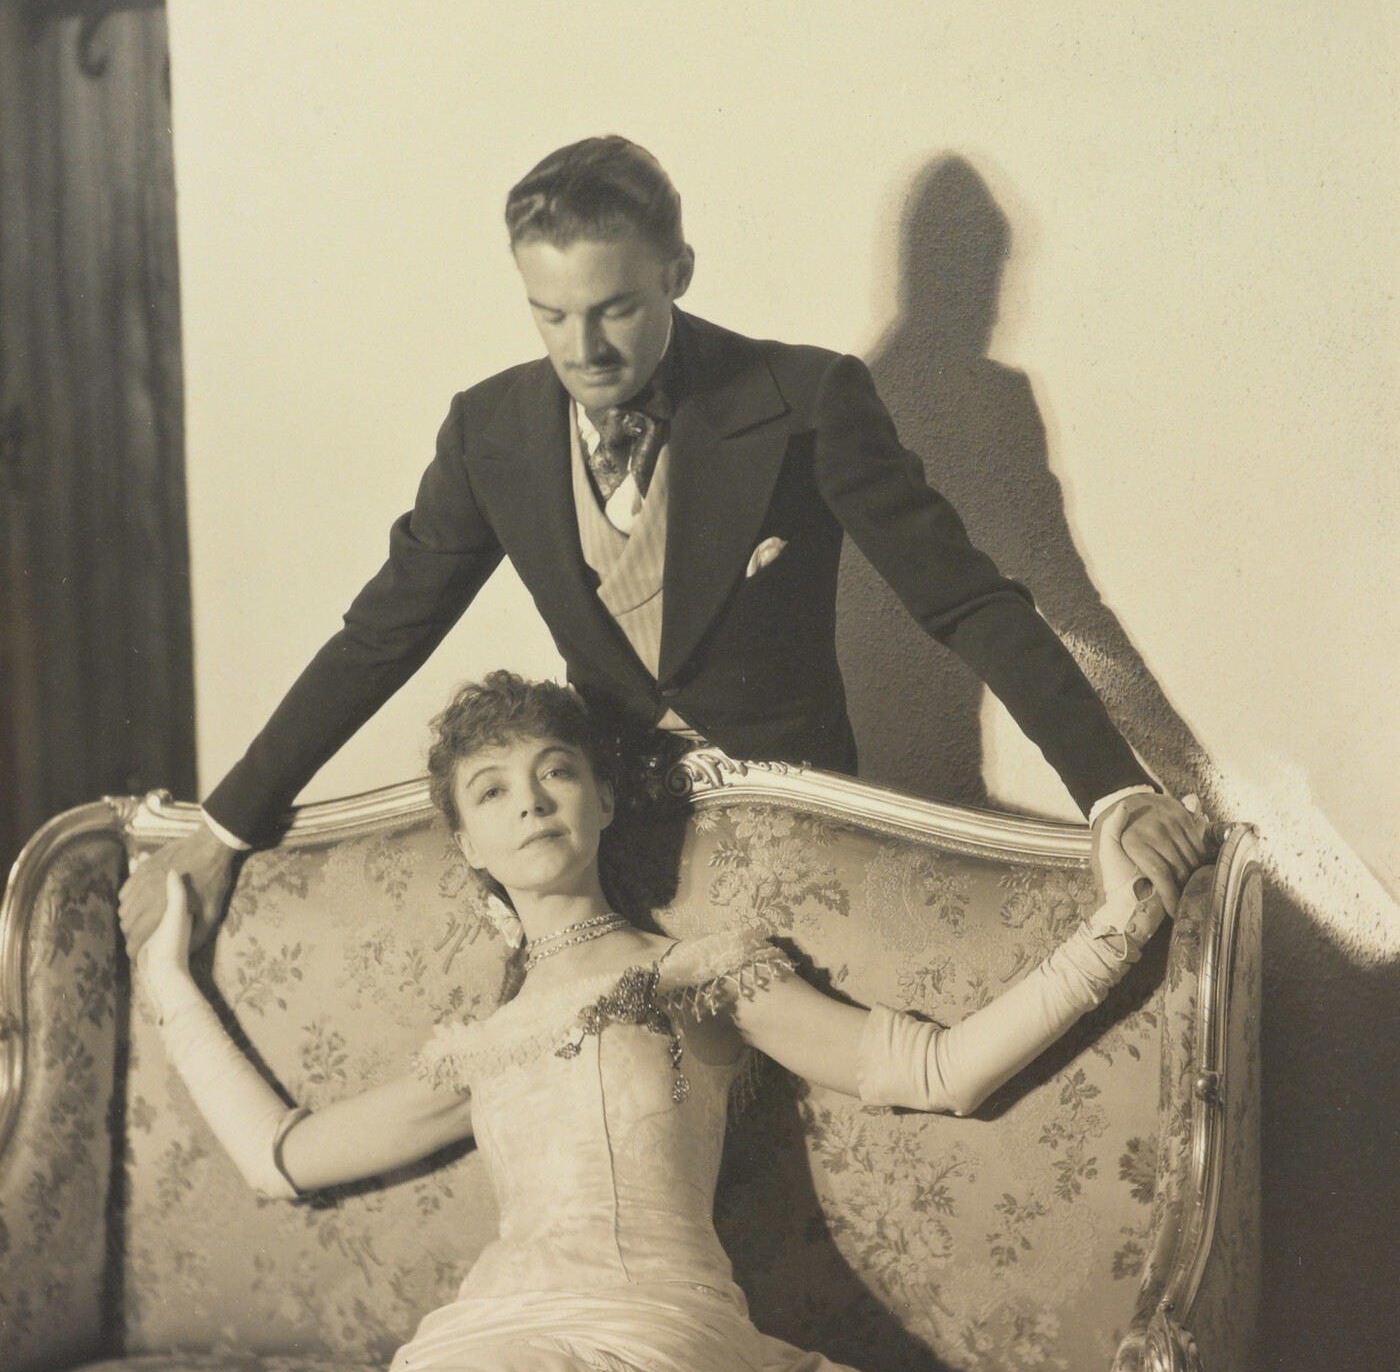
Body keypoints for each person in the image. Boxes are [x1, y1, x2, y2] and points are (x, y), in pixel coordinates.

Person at [137, 671, 1181, 1372]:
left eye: (554, 771)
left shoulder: (694, 972)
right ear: (467, 845)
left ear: (600, 796)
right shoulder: (475, 1046)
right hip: (488, 1342)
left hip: (652, 1339)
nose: (530, 800)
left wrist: (1117, 923)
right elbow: (280, 1155)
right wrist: (169, 978)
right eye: (492, 790)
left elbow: (931, 1068)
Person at [119, 135, 1209, 961]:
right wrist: (225, 821)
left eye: (614, 310)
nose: (581, 350)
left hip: (796, 829)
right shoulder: (489, 429)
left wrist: (1115, 788)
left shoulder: (807, 399)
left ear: (679, 271)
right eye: (548, 315)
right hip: (602, 843)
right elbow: (381, 634)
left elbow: (969, 602)